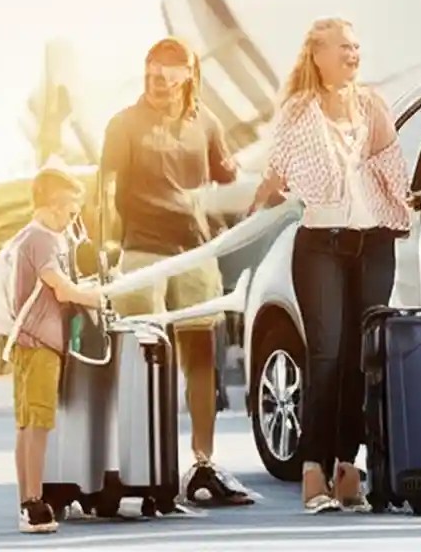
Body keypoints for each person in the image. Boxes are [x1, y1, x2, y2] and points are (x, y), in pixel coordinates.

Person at [250, 17, 421, 514]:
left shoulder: (372, 104)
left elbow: (390, 173)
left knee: (363, 357)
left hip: (372, 242)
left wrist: (415, 201)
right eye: (343, 47)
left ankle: (347, 467)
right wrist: (252, 212)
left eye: (357, 46)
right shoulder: (299, 111)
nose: (353, 54)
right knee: (327, 357)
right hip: (320, 244)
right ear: (317, 54)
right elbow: (278, 175)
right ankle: (313, 470)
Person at [100, 37, 254, 507]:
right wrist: (106, 248)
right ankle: (142, 463)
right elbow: (105, 191)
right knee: (142, 358)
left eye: (169, 74)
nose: (159, 83)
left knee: (200, 355)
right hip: (142, 252)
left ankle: (202, 463)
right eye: (152, 74)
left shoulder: (206, 123)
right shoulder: (123, 124)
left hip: (197, 251)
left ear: (189, 75)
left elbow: (229, 179)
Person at [11, 164, 105, 533]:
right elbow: (61, 288)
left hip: (25, 345)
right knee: (38, 424)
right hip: (40, 347)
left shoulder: (28, 237)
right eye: (69, 210)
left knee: (26, 424)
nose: (72, 219)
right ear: (52, 203)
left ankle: (27, 501)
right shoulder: (44, 239)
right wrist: (96, 298)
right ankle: (33, 503)